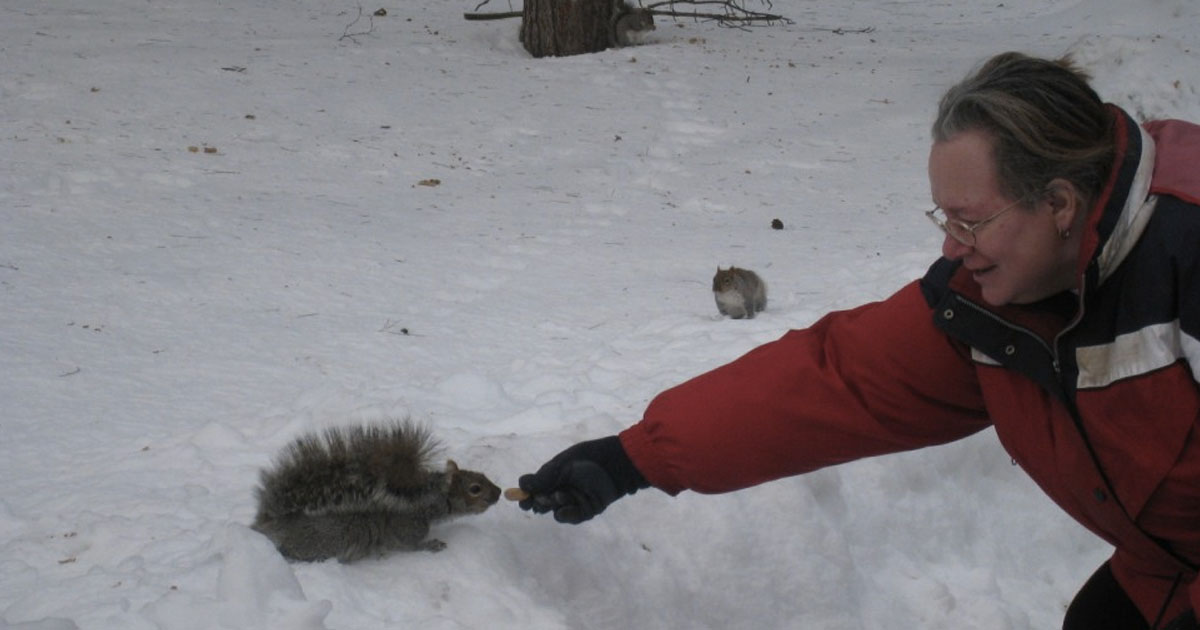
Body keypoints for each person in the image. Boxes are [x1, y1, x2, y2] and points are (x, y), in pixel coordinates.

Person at [515, 51, 1200, 630]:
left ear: (1058, 204)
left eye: (970, 221)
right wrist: (633, 458)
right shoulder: (993, 305)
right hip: (1164, 571)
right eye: (944, 218)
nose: (950, 246)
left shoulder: (1185, 261)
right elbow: (838, 381)